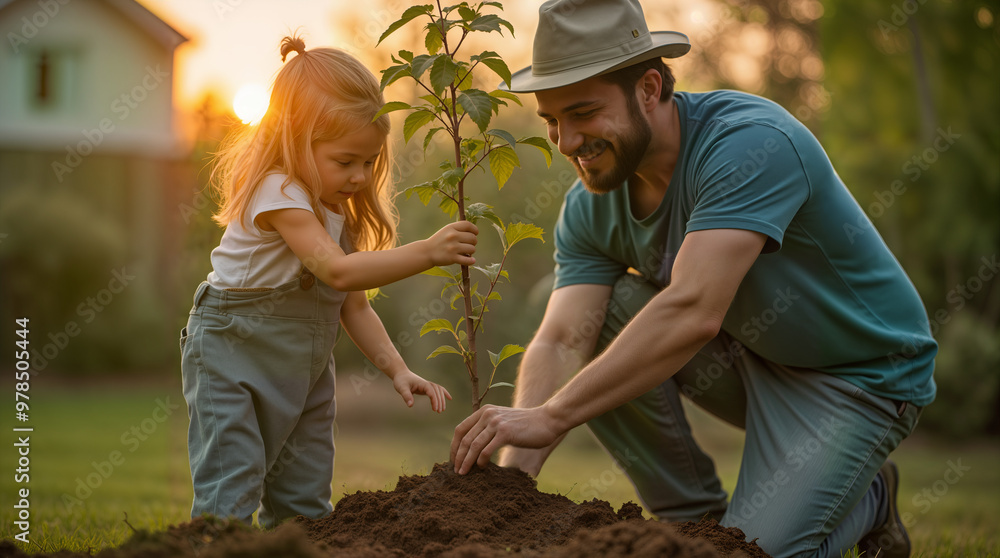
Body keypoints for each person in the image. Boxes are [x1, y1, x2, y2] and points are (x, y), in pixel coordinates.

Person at [450, 1, 936, 557]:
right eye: (553, 121)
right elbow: (562, 339)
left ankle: (871, 499)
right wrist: (513, 483)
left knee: (750, 556)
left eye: (582, 113)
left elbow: (693, 309)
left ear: (650, 89)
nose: (565, 141)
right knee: (601, 312)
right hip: (750, 355)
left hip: (856, 375)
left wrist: (553, 415)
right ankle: (691, 524)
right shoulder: (591, 205)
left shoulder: (748, 145)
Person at [180, 35, 478, 528]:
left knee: (304, 499)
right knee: (229, 488)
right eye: (346, 161)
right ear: (296, 139)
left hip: (305, 371)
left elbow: (353, 305)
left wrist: (396, 369)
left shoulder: (338, 214)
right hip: (231, 355)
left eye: (368, 161)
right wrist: (428, 252)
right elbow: (335, 271)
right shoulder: (278, 193)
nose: (360, 175)